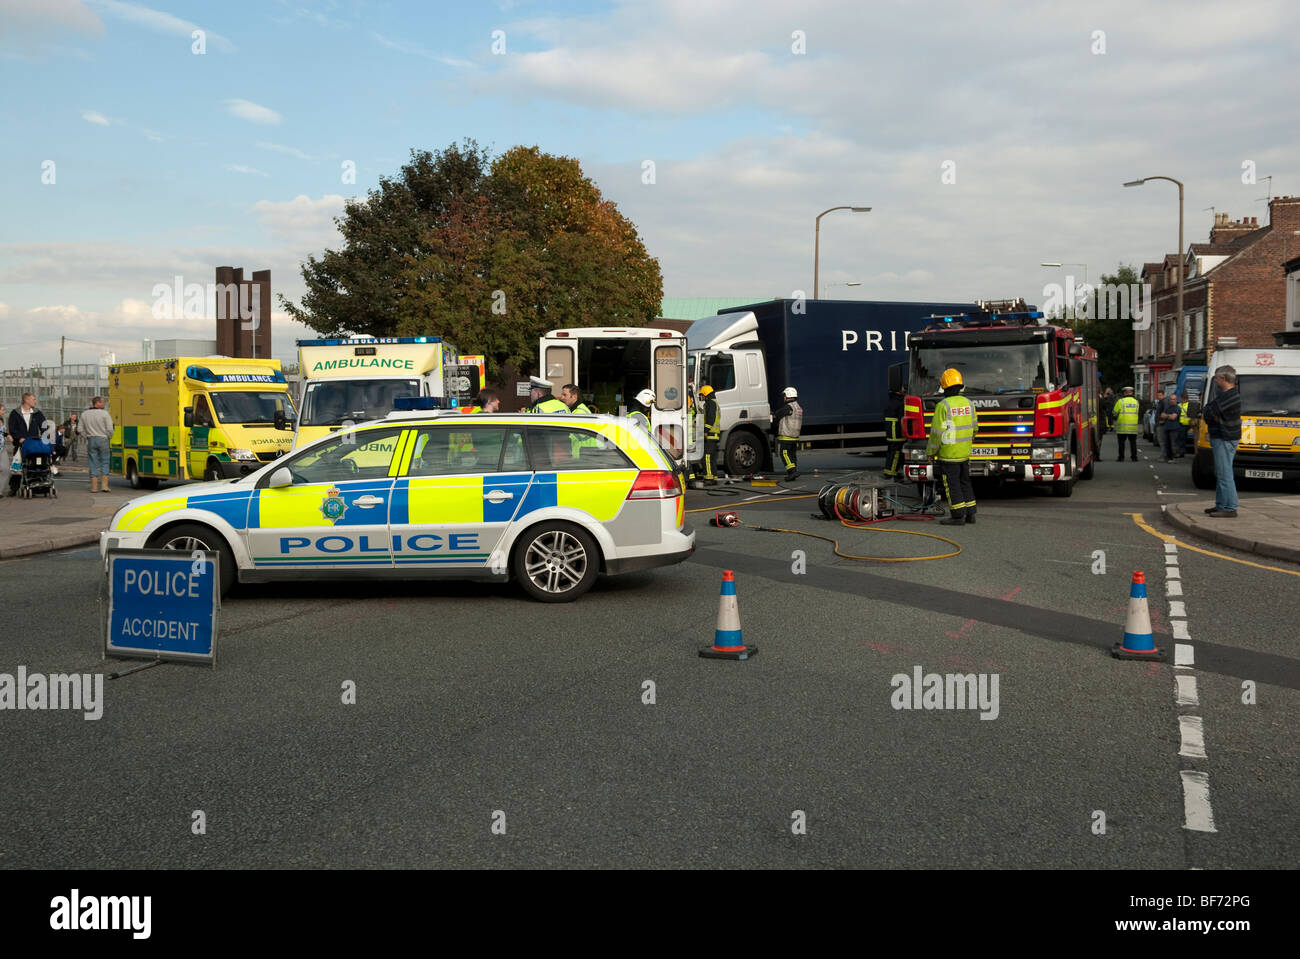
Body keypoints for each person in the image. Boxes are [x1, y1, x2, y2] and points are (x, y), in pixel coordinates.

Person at [927, 369, 976, 526]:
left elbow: (936, 434)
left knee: (952, 485)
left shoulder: (943, 406)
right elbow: (975, 428)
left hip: (948, 455)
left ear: (944, 387)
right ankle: (970, 514)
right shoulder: (969, 403)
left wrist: (930, 452)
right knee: (965, 482)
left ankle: (957, 516)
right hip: (964, 453)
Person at [1200, 366, 1240, 518]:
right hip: (1222, 436)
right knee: (1221, 472)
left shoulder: (1229, 396)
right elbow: (1208, 411)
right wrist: (1212, 414)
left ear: (1223, 379)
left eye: (1216, 378)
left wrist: (1212, 415)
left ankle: (1230, 507)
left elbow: (1209, 412)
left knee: (1225, 473)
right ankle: (1221, 505)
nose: (1215, 380)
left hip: (1225, 437)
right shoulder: (1224, 395)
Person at [7, 393, 48, 496]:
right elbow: (12, 429)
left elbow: (44, 426)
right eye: (33, 399)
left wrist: (45, 436)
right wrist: (19, 438)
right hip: (21, 444)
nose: (35, 401)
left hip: (33, 444)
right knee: (18, 467)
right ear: (26, 400)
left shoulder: (37, 413)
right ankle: (13, 488)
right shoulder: (15, 413)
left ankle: (32, 485)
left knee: (33, 465)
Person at [80, 395, 115, 493]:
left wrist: (86, 436)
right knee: (105, 461)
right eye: (102, 402)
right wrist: (109, 436)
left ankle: (94, 487)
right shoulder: (105, 414)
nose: (104, 404)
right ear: (97, 403)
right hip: (103, 438)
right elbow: (110, 429)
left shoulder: (84, 414)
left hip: (91, 439)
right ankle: (104, 486)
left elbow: (80, 429)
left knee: (93, 462)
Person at [771, 386, 803, 481]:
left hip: (787, 436)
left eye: (784, 395)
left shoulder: (788, 407)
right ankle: (793, 472)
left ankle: (792, 471)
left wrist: (771, 415)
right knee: (792, 455)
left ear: (788, 396)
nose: (783, 398)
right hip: (795, 436)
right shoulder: (798, 407)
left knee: (784, 453)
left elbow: (776, 415)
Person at [699, 383, 721, 483]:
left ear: (705, 394)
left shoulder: (710, 403)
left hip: (710, 434)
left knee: (707, 457)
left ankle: (708, 478)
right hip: (714, 434)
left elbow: (710, 418)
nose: (701, 397)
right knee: (712, 457)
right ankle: (714, 476)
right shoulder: (714, 402)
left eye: (702, 395)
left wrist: (705, 431)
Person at [1113, 387, 1139, 462]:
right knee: (1133, 443)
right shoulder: (1136, 402)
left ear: (1124, 393)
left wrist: (1116, 417)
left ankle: (1121, 457)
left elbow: (1114, 413)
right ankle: (1134, 457)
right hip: (1133, 427)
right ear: (1132, 393)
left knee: (1121, 443)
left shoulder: (1121, 401)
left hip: (1122, 426)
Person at [883, 385, 905, 479]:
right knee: (896, 452)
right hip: (896, 431)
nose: (904, 389)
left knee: (891, 451)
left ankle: (889, 471)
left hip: (891, 431)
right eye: (903, 387)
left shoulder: (891, 401)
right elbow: (901, 419)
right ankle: (891, 473)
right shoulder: (900, 402)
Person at [1159, 389, 1183, 462]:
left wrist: (1167, 416)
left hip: (1174, 428)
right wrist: (1169, 415)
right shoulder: (1168, 408)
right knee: (1167, 444)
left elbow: (1173, 417)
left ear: (1176, 400)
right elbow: (1162, 415)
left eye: (1174, 399)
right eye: (1171, 399)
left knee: (1173, 444)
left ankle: (1174, 458)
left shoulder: (1177, 408)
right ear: (1169, 400)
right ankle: (1168, 457)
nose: (1172, 400)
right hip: (1167, 428)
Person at [1177, 392, 1191, 457]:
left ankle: (1181, 451)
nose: (1183, 400)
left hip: (1187, 424)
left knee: (1182, 438)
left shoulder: (1189, 405)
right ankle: (1181, 451)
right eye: (1182, 398)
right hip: (1180, 423)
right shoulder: (1179, 405)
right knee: (1181, 438)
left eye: (1185, 399)